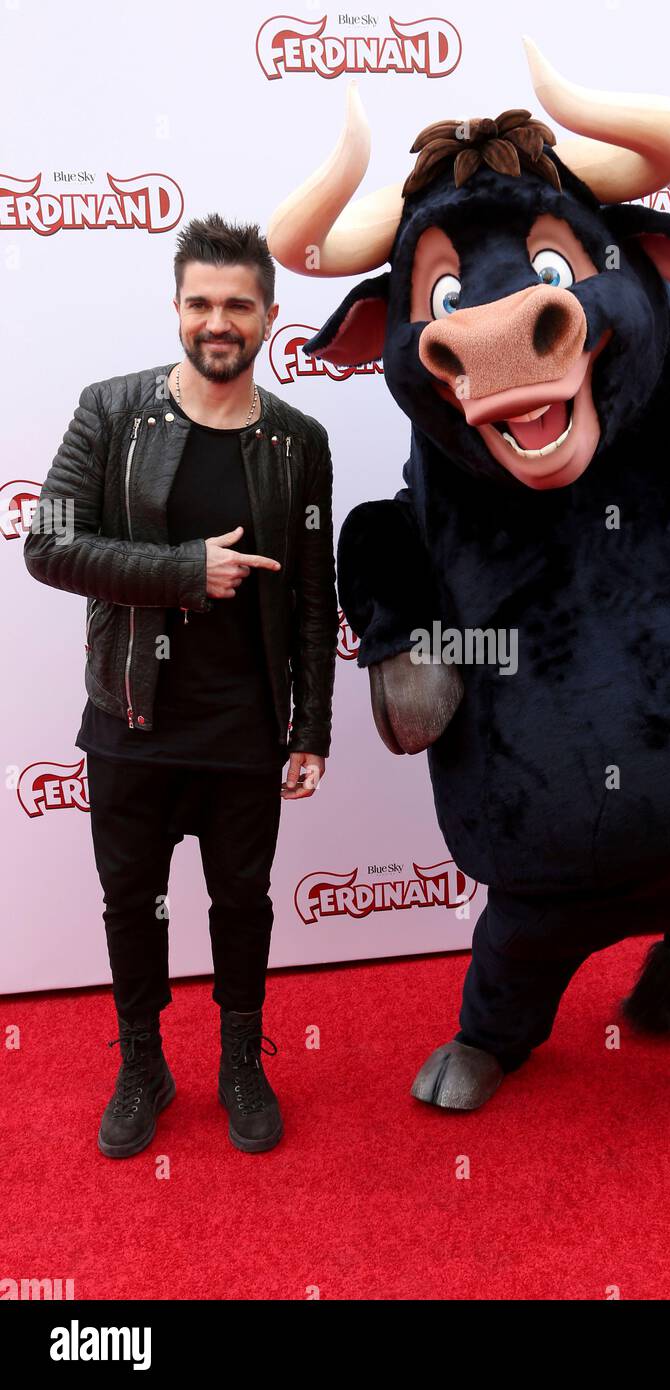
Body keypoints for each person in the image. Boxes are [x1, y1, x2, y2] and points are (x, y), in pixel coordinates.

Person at [23, 214, 338, 1157]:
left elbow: (315, 597)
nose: (217, 320)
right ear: (176, 308)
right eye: (200, 302)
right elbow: (48, 543)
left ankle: (240, 1061)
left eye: (237, 304)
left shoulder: (298, 440)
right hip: (130, 717)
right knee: (132, 904)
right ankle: (142, 1064)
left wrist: (310, 725)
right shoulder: (111, 411)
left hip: (244, 725)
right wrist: (181, 572)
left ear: (269, 316)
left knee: (243, 905)